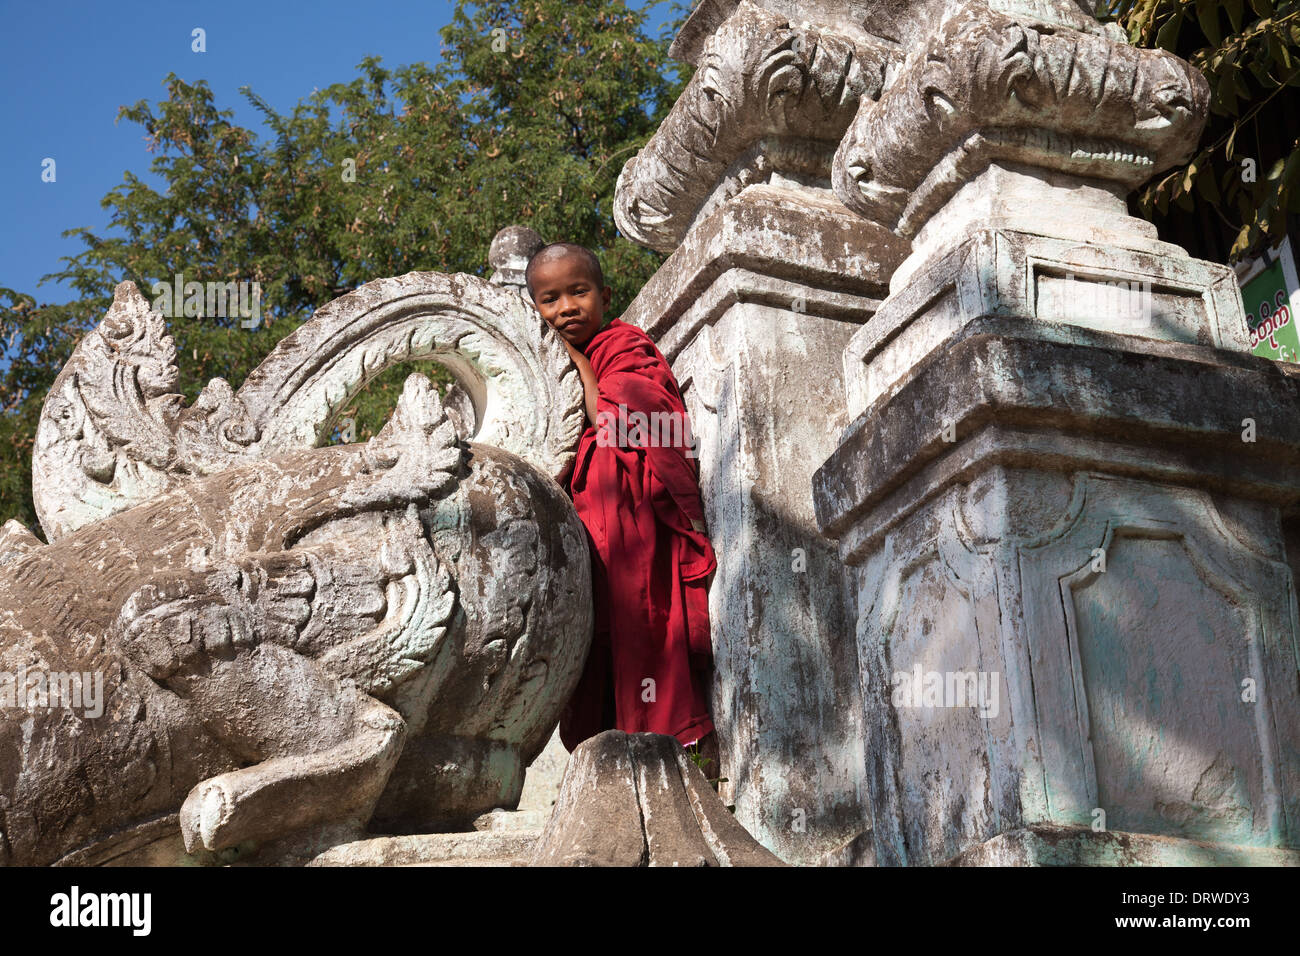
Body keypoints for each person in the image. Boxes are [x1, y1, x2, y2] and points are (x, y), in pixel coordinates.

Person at [526, 241, 721, 781]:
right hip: (588, 537)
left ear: (604, 296)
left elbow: (627, 424)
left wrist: (577, 366)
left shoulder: (623, 346)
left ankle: (678, 761)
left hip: (635, 533)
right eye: (548, 299)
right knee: (595, 658)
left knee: (647, 636)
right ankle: (612, 771)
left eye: (578, 291)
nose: (565, 308)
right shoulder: (541, 375)